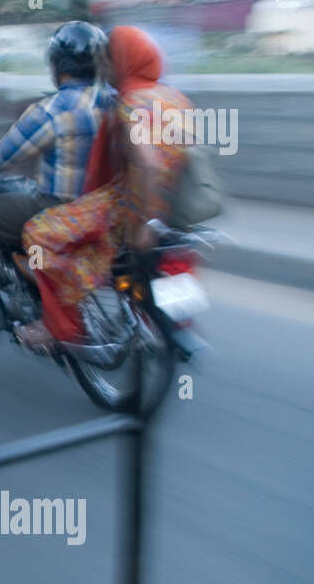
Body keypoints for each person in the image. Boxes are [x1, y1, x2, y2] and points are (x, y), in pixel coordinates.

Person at [18, 26, 191, 349]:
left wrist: (143, 223)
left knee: (37, 233)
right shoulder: (174, 99)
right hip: (169, 206)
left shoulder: (130, 104)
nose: (104, 71)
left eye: (108, 62)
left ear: (124, 62)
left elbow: (148, 164)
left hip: (126, 206)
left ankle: (61, 323)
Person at [0, 21, 107, 335]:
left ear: (57, 65)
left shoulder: (53, 110)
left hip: (59, 208)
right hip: (100, 207)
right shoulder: (109, 102)